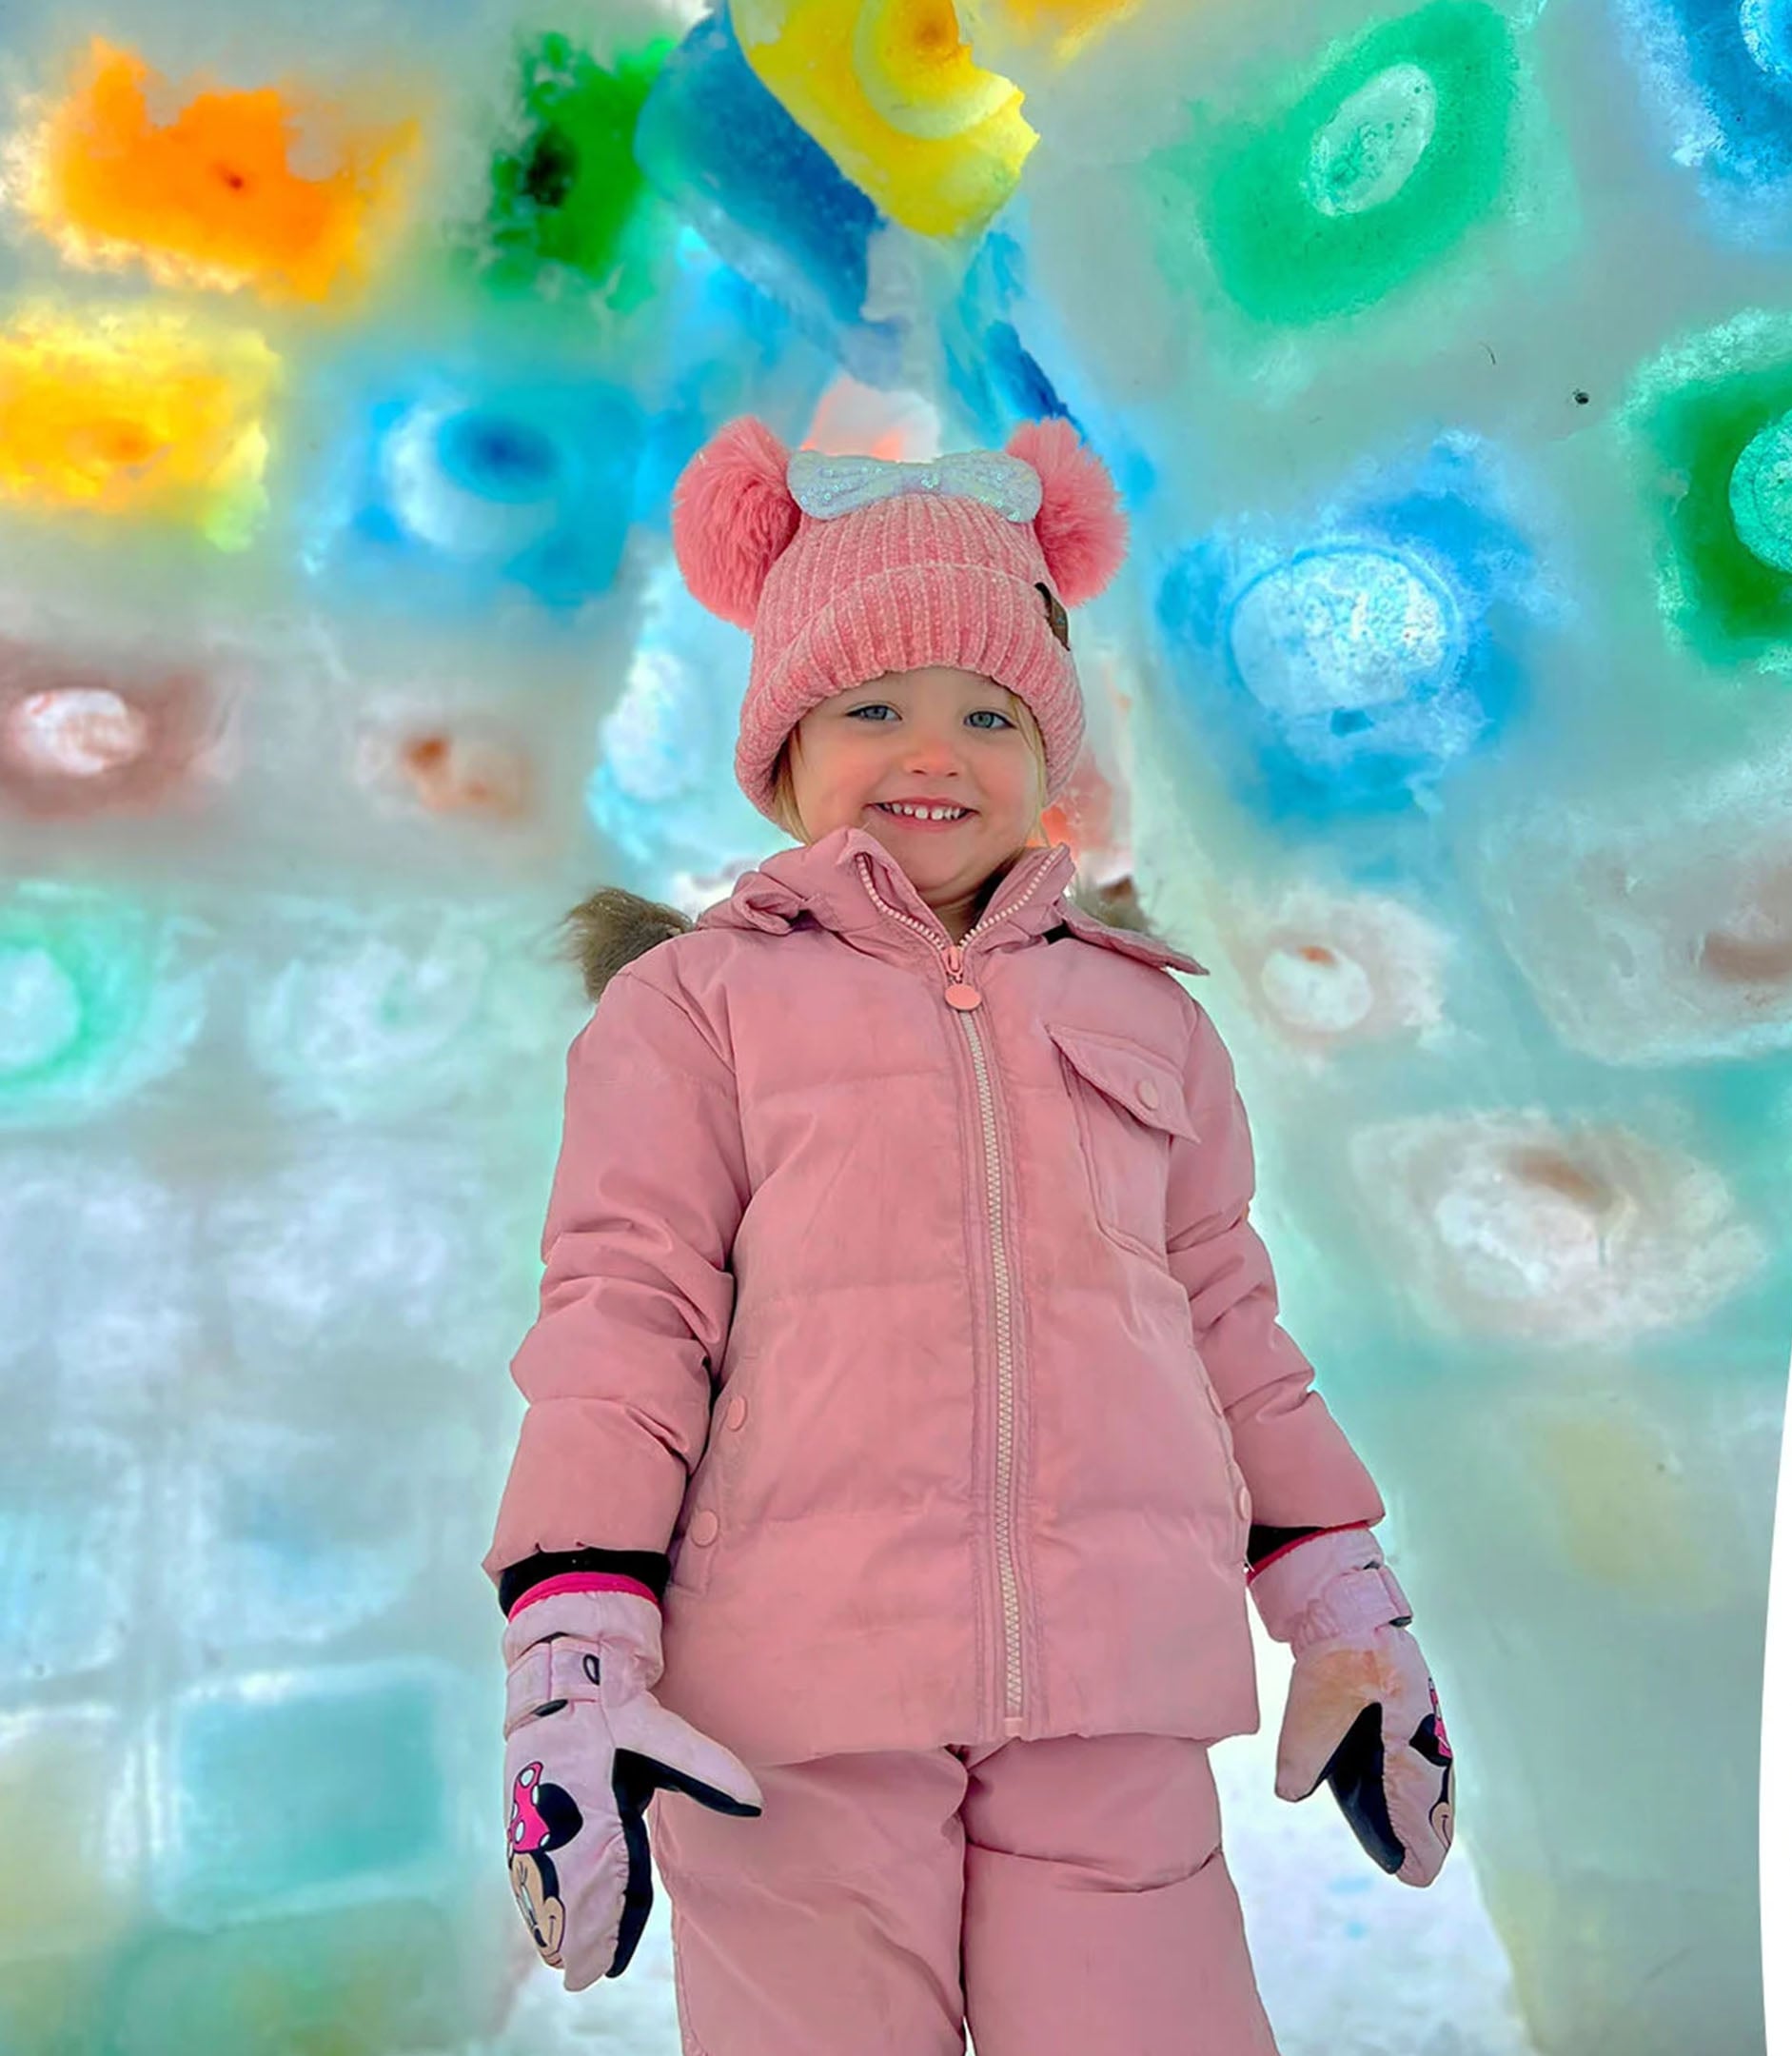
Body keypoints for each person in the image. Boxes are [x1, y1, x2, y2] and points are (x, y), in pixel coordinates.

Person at [483, 414, 1455, 2052]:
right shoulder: (694, 1008)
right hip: (794, 1703)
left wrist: (1345, 1606)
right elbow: (624, 1317)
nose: (933, 750)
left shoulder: (1147, 1019)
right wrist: (577, 1640)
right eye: (874, 705)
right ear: (784, 749)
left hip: (1112, 1693)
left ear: (1050, 759)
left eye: (989, 713)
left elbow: (1230, 1326)